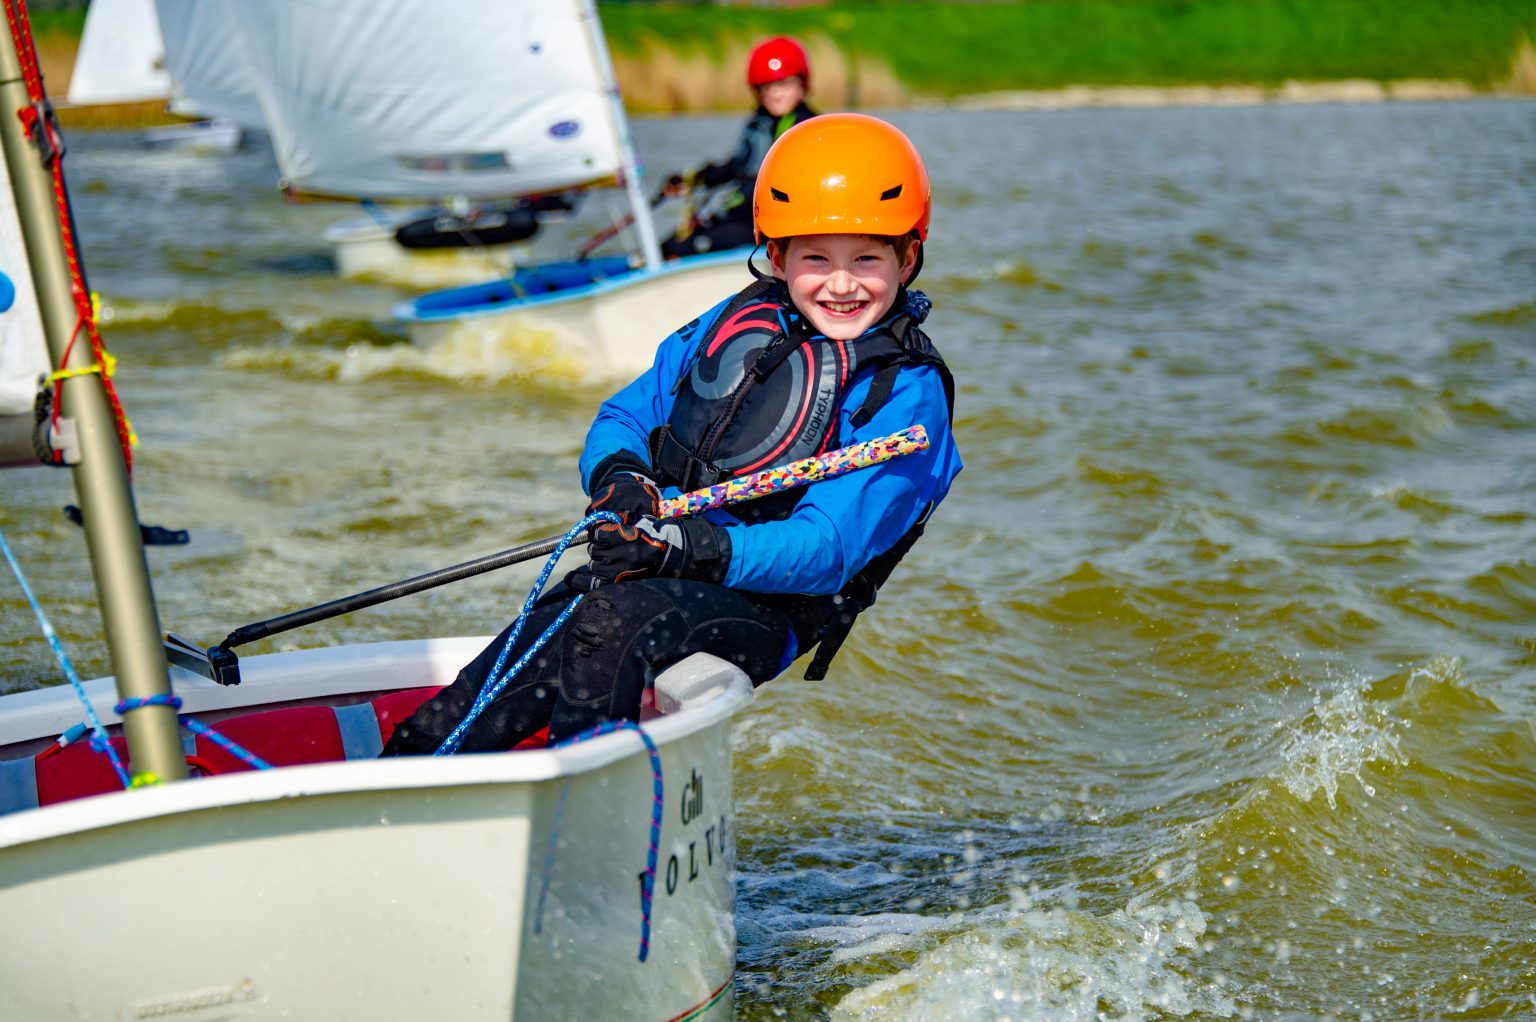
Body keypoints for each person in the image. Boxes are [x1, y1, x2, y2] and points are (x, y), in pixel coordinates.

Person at [381, 113, 960, 756]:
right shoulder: (737, 320)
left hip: (769, 605)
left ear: (908, 256)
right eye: (816, 257)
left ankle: (586, 817)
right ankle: (413, 765)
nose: (842, 282)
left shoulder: (906, 394)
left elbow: (828, 548)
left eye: (868, 258)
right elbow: (625, 416)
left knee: (612, 622)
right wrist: (620, 479)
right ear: (776, 255)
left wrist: (685, 550)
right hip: (665, 561)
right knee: (525, 645)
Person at [659, 36, 818, 259]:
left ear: (803, 84)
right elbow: (737, 166)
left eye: (785, 84)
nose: (776, 94)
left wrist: (727, 212)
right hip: (743, 217)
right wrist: (695, 179)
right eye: (767, 87)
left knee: (680, 249)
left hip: (772, 228)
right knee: (668, 245)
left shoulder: (809, 128)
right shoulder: (759, 124)